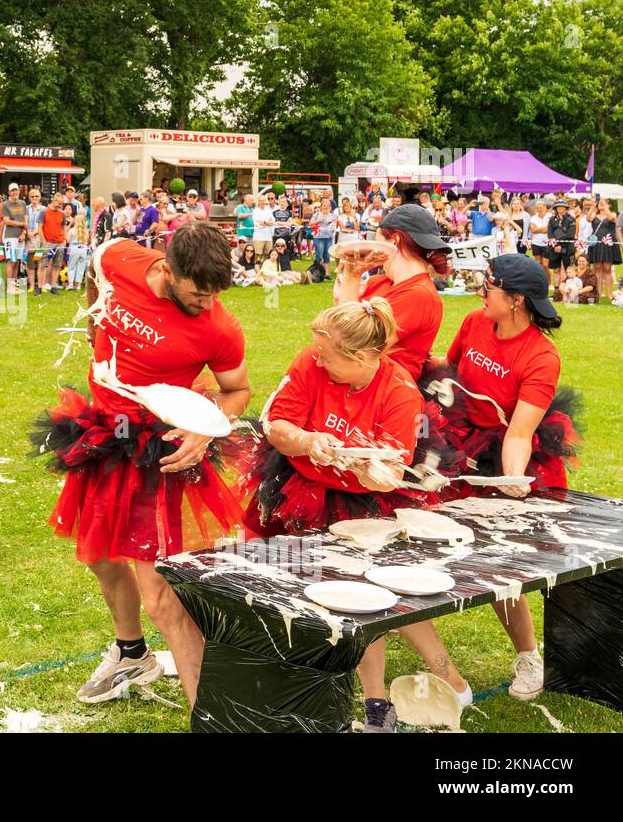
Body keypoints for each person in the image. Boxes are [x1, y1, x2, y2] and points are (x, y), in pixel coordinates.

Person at [38, 223, 252, 707]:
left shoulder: (219, 327)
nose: (207, 304)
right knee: (100, 557)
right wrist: (93, 312)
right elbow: (97, 265)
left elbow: (237, 390)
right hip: (101, 436)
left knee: (162, 596)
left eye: (215, 294)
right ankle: (132, 655)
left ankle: (210, 715)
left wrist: (209, 427)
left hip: (160, 450)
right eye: (197, 294)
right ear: (166, 268)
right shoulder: (120, 258)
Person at [239, 299, 466, 732]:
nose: (317, 360)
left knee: (377, 601)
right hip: (300, 486)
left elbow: (391, 477)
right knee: (285, 581)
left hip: (364, 502)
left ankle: (422, 685)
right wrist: (307, 440)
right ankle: (296, 677)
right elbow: (278, 426)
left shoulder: (399, 392)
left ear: (362, 358)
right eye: (317, 352)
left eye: (327, 357)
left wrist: (366, 465)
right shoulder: (313, 357)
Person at [430, 254, 580, 702]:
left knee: (501, 564)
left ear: (515, 301)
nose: (480, 293)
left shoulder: (541, 356)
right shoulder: (476, 321)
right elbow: (449, 368)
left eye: (488, 287)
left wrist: (512, 478)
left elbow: (518, 434)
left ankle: (529, 655)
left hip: (509, 449)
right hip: (460, 440)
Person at [333, 204, 448, 381]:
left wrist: (351, 278)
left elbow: (350, 344)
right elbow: (339, 331)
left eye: (378, 241)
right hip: (359, 386)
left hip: (382, 396)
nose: (374, 248)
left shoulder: (419, 296)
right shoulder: (379, 282)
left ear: (395, 241)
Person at [39, 191, 67, 294]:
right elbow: (40, 227)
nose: (60, 206)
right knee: (43, 265)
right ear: (54, 200)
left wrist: (64, 240)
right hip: (47, 242)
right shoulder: (44, 212)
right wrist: (44, 241)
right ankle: (41, 287)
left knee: (57, 265)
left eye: (62, 204)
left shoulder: (62, 214)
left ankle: (53, 286)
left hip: (59, 242)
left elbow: (63, 227)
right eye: (59, 203)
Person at [546, 199, 576, 287]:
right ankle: (557, 290)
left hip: (568, 248)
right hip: (554, 247)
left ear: (566, 208)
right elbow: (549, 233)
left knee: (569, 269)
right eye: (558, 207)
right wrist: (556, 245)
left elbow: (570, 234)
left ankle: (568, 288)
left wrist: (558, 243)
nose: (560, 208)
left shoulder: (571, 219)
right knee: (556, 269)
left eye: (562, 206)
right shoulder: (552, 219)